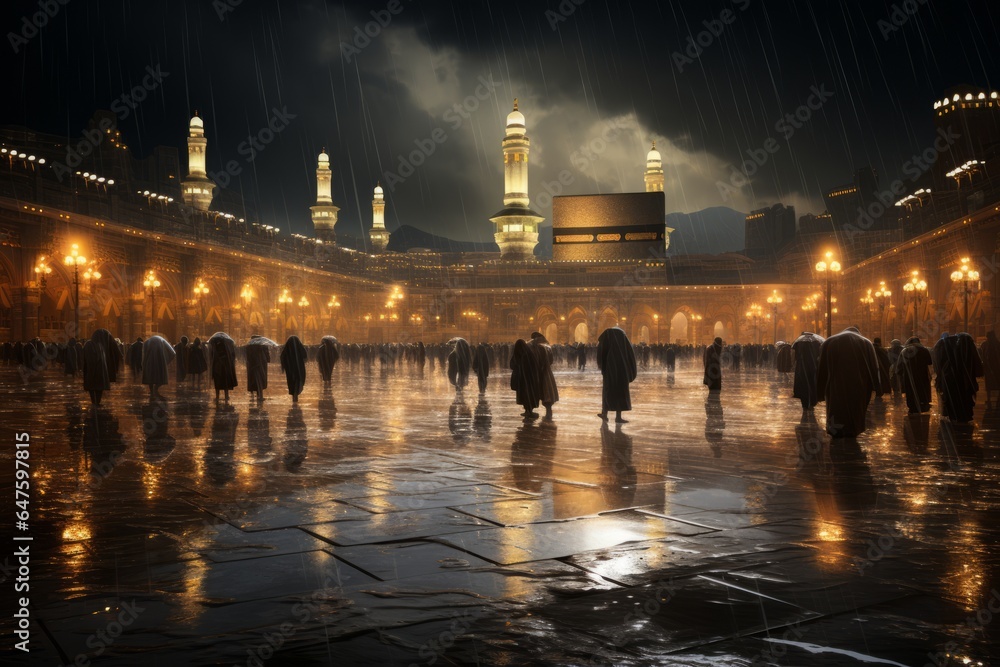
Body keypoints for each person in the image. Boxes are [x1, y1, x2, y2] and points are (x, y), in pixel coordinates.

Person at [816, 327, 880, 438]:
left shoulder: (830, 341)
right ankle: (853, 431)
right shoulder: (866, 343)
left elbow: (822, 369)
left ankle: (835, 431)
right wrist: (878, 387)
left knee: (837, 408)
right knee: (856, 409)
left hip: (835, 385)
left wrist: (820, 392)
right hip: (859, 384)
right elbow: (874, 367)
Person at [935, 332, 984, 424]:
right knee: (965, 398)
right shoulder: (967, 343)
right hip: (965, 379)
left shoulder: (942, 344)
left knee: (951, 398)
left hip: (948, 379)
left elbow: (937, 365)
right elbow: (976, 362)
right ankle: (964, 417)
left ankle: (953, 416)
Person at [597, 326, 637, 423]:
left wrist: (602, 368)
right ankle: (618, 417)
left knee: (608, 392)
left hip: (609, 373)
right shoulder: (622, 341)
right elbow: (631, 357)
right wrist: (630, 373)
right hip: (622, 373)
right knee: (620, 393)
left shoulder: (608, 339)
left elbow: (600, 355)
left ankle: (604, 413)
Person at [895, 336, 933, 415]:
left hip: (908, 377)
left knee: (910, 392)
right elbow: (930, 362)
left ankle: (912, 408)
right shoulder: (924, 350)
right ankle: (922, 406)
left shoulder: (905, 351)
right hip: (922, 376)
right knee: (922, 391)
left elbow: (899, 366)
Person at [791, 331, 824, 411]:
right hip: (813, 366)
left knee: (803, 384)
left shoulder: (798, 342)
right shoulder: (817, 342)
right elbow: (820, 355)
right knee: (813, 383)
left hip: (801, 367)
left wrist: (793, 364)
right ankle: (813, 400)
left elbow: (793, 355)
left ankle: (805, 402)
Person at [529, 332, 559, 418]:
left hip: (540, 372)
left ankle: (530, 410)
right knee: (547, 391)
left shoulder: (537, 347)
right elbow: (551, 360)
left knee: (541, 391)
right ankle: (548, 411)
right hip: (546, 371)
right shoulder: (547, 346)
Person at [510, 338, 541, 419]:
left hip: (524, 380)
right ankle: (528, 410)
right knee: (528, 395)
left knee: (526, 395)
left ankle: (528, 410)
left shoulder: (522, 354)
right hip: (529, 379)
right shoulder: (528, 353)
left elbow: (512, 365)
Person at [141, 335, 176, 400]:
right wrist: (166, 361)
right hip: (160, 361)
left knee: (150, 377)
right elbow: (173, 353)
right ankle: (156, 388)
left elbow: (145, 355)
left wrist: (143, 364)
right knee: (162, 378)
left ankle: (152, 390)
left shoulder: (147, 342)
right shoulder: (162, 340)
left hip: (149, 362)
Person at [81, 330, 111, 405]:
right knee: (98, 389)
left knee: (93, 388)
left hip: (94, 372)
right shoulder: (100, 346)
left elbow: (88, 360)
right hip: (99, 374)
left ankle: (95, 403)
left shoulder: (90, 345)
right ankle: (96, 402)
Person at [207, 332, 238, 402]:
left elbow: (211, 356)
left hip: (217, 367)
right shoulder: (228, 347)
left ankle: (218, 396)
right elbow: (232, 356)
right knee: (225, 382)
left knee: (218, 382)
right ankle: (226, 396)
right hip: (225, 367)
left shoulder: (214, 345)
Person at [280, 335, 308, 403]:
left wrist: (284, 366)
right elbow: (305, 356)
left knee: (292, 382)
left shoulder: (287, 348)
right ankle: (296, 395)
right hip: (299, 369)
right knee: (298, 381)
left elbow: (282, 357)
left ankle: (294, 396)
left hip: (290, 370)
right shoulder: (299, 347)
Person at [246, 335, 271, 402]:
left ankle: (253, 394)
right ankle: (260, 395)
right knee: (260, 380)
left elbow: (247, 357)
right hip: (261, 365)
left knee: (253, 379)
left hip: (252, 365)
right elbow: (268, 358)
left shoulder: (249, 346)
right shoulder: (263, 345)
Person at [981, 330, 1000, 409]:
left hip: (991, 368)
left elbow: (983, 356)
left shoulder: (986, 344)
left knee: (990, 385)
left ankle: (989, 399)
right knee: (996, 383)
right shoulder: (997, 344)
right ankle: (996, 400)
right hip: (994, 368)